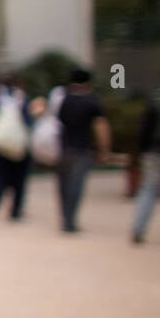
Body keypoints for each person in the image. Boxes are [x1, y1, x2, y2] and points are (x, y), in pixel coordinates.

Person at [56, 67, 111, 233]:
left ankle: (65, 218)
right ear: (89, 83)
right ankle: (70, 222)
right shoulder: (92, 102)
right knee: (76, 186)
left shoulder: (64, 100)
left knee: (64, 186)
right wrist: (104, 150)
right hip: (82, 150)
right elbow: (101, 127)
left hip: (64, 149)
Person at [0, 74, 33, 221]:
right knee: (19, 180)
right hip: (18, 145)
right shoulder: (22, 98)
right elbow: (28, 122)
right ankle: (15, 211)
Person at [131, 66, 160, 244]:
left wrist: (142, 151)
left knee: (148, 191)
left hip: (154, 151)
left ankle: (139, 228)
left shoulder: (156, 97)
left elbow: (144, 127)